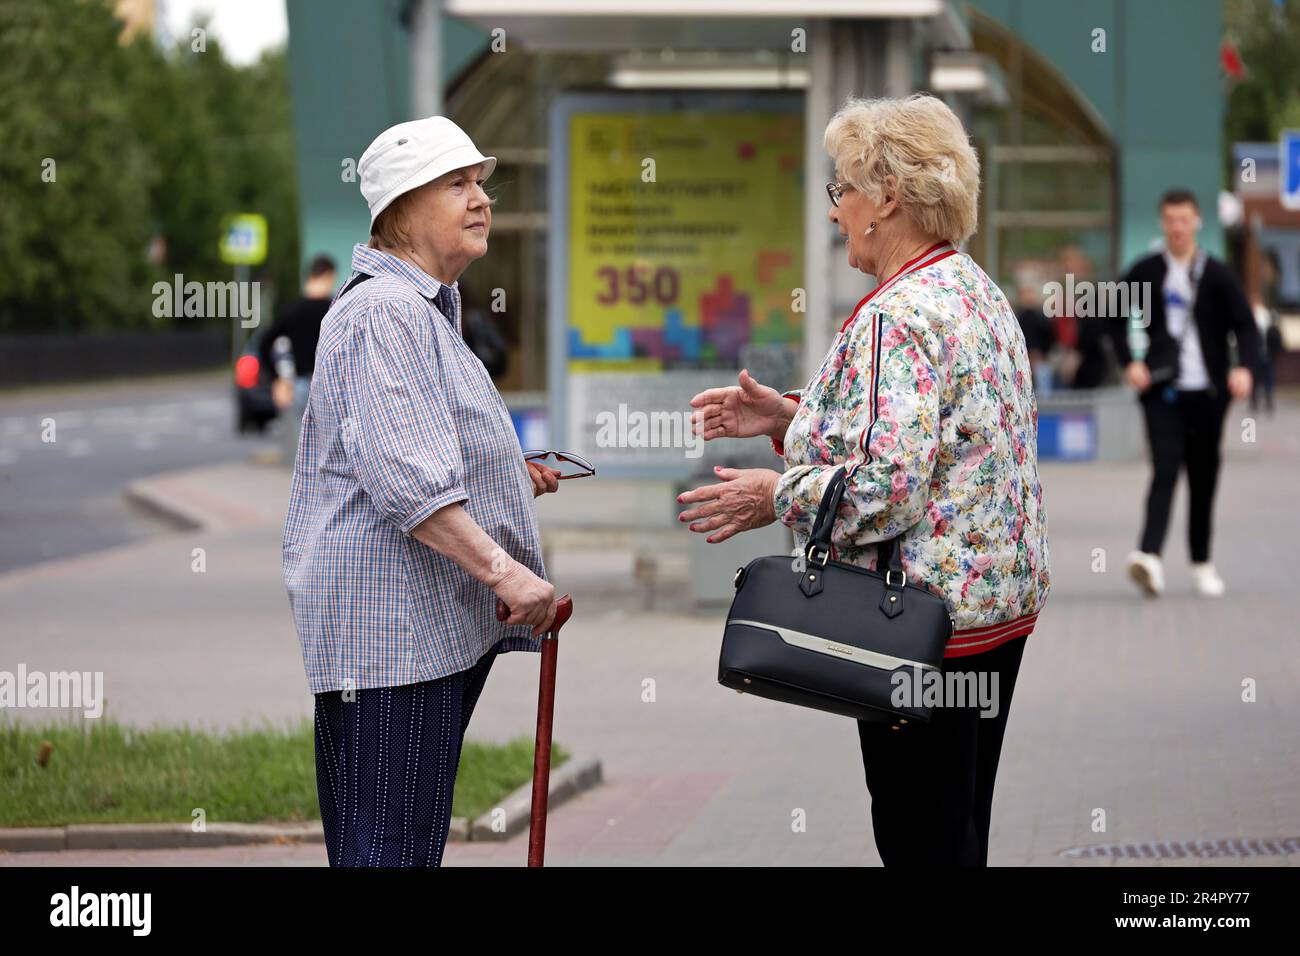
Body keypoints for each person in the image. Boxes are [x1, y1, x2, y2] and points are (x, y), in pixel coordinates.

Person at [678, 94, 1050, 867]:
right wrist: (787, 420)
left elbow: (889, 486)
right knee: (957, 831)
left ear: (886, 197)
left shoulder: (898, 315)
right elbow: (948, 445)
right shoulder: (973, 292)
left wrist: (772, 494)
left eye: (842, 189)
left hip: (916, 629)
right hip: (989, 620)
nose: (835, 210)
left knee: (920, 839)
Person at [281, 116, 563, 867]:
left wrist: (506, 472)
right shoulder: (386, 314)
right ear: (400, 209)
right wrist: (508, 574)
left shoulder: (420, 309)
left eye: (480, 184)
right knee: (390, 852)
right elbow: (411, 488)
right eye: (456, 184)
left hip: (409, 636)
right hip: (390, 641)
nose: (480, 200)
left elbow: (410, 450)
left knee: (390, 845)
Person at [1106, 189, 1261, 598]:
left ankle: (1201, 563)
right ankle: (1149, 556)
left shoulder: (1217, 274)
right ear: (1163, 223)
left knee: (1204, 477)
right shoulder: (1147, 270)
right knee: (1166, 467)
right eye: (1170, 220)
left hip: (1209, 393)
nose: (1177, 227)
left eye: (1184, 220)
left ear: (1197, 223)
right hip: (1163, 391)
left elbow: (1245, 325)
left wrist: (1244, 367)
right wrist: (1129, 363)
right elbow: (1109, 314)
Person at [258, 254, 337, 456]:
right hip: (330, 385)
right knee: (331, 451)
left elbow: (264, 343)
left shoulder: (292, 311)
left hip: (300, 386)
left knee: (304, 450)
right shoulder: (335, 309)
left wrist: (278, 380)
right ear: (328, 276)